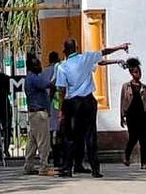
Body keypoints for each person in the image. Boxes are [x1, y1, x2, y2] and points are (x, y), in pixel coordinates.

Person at [55, 37, 130, 178]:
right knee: (90, 135)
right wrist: (120, 47)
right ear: (76, 48)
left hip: (73, 103)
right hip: (88, 101)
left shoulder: (62, 67)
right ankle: (95, 168)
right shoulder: (86, 58)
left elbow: (62, 90)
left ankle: (67, 168)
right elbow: (104, 52)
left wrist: (61, 110)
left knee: (71, 136)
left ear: (64, 51)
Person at [21, 53, 51, 174]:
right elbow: (48, 84)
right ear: (32, 67)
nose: (40, 67)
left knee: (32, 141)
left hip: (33, 113)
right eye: (38, 65)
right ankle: (44, 166)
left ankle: (28, 166)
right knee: (43, 141)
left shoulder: (28, 78)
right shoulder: (34, 78)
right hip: (39, 113)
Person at [119, 57, 146, 169]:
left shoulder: (144, 87)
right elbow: (122, 101)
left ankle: (144, 163)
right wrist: (122, 116)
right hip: (131, 115)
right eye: (136, 72)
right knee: (133, 138)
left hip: (142, 115)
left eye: (139, 72)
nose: (138, 74)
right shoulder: (126, 86)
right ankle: (127, 156)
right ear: (131, 73)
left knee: (143, 139)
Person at [42, 51, 61, 169]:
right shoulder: (60, 69)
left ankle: (49, 155)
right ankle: (59, 156)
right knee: (59, 131)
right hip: (58, 104)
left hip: (48, 104)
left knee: (49, 132)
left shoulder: (44, 72)